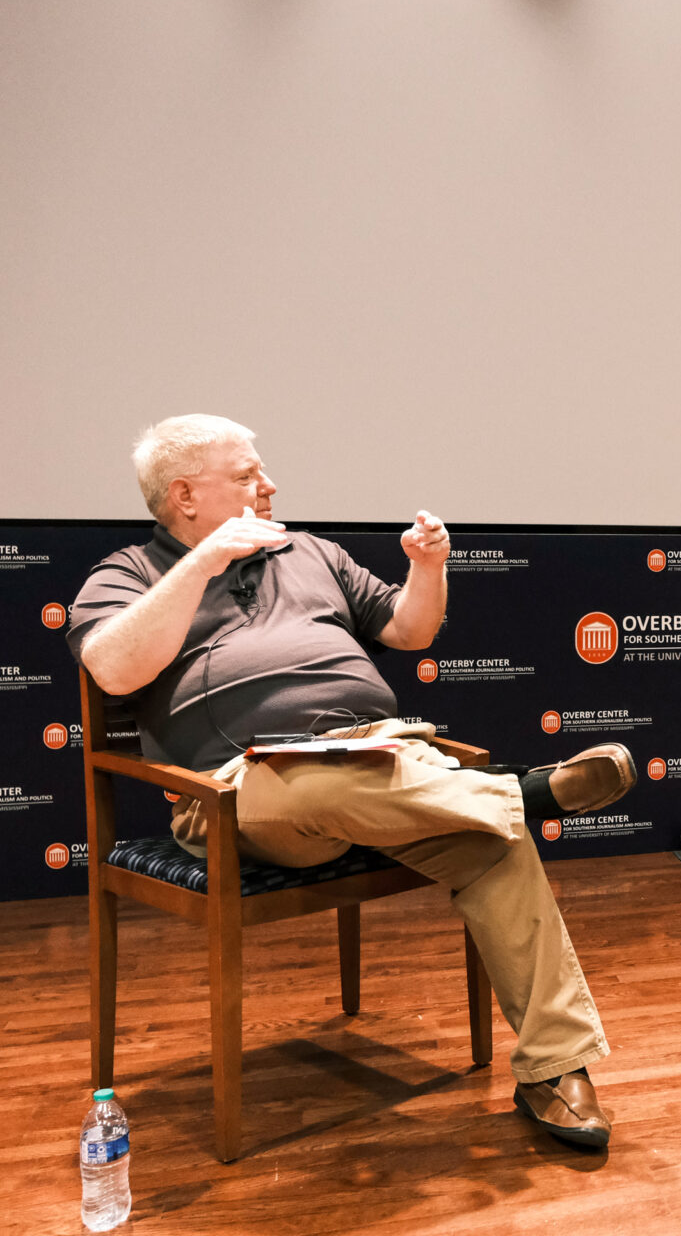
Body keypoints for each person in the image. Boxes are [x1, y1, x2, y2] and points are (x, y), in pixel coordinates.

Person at [66, 414, 633, 1148]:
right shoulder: (130, 574)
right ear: (185, 496)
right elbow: (112, 669)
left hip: (381, 755)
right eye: (246, 475)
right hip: (241, 790)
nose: (269, 484)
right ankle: (518, 793)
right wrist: (201, 565)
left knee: (490, 842)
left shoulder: (311, 553)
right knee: (343, 784)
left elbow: (409, 631)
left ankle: (555, 1070)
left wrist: (428, 567)